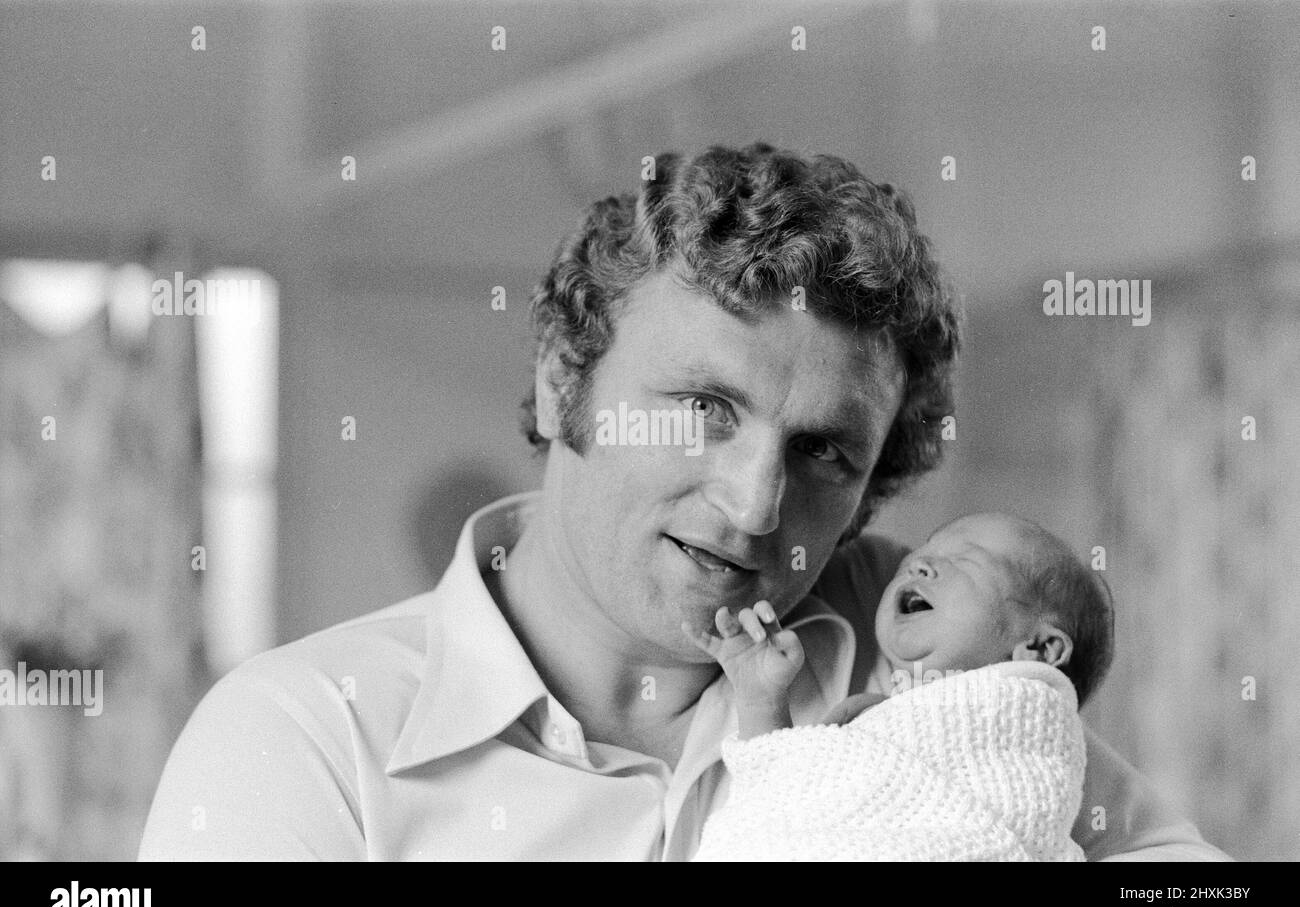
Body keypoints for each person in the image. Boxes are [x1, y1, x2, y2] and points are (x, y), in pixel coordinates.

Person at [138, 143, 1229, 861]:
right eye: (705, 408)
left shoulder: (925, 659)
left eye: (823, 456)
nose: (756, 503)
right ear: (568, 383)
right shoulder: (305, 740)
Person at [689, 512, 1108, 861]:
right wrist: (760, 696)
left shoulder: (1028, 737)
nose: (918, 564)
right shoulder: (869, 725)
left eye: (964, 560)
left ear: (1039, 647)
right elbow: (782, 798)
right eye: (921, 555)